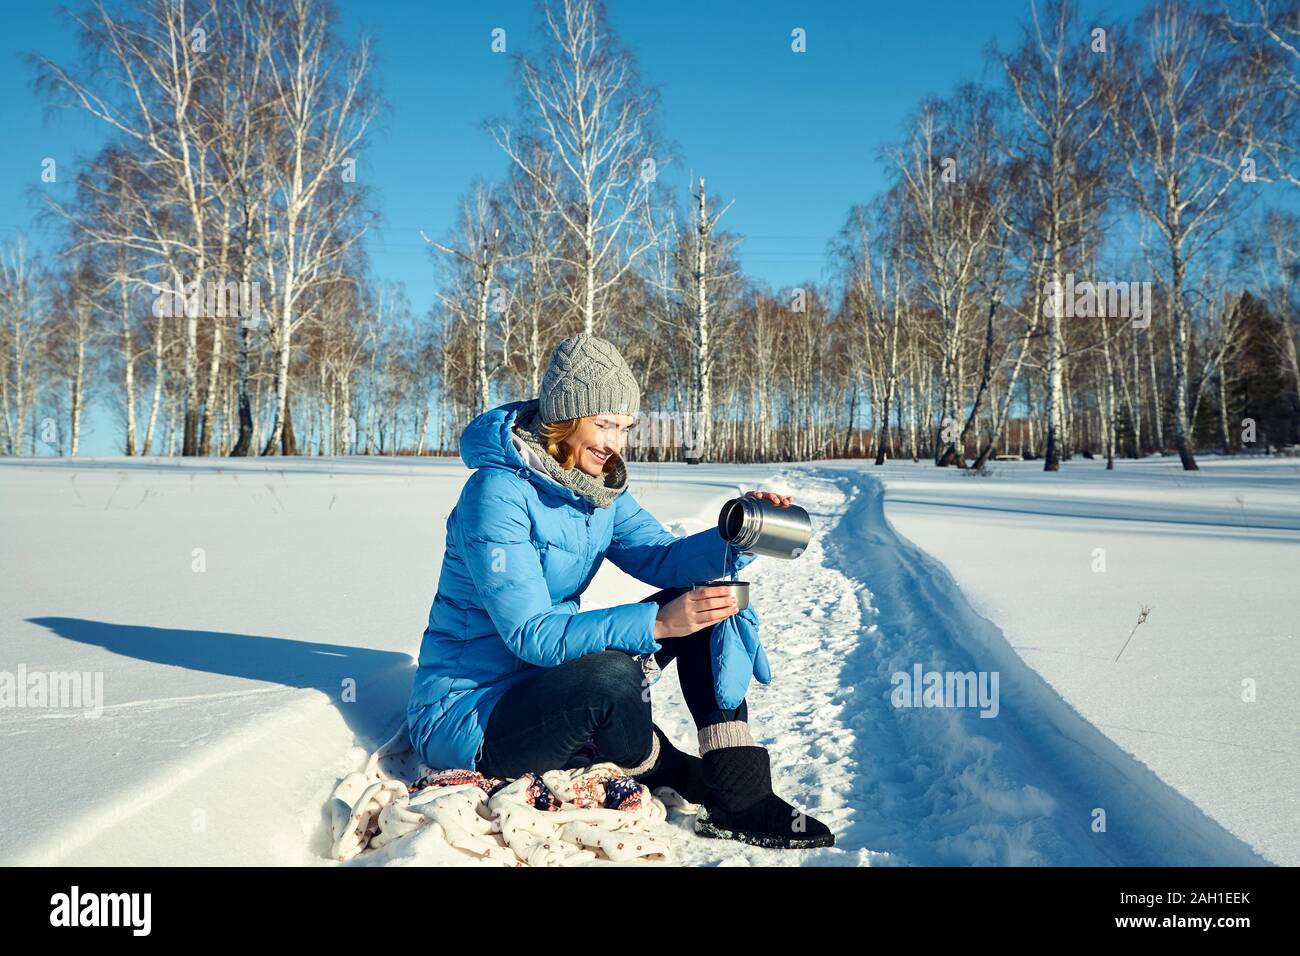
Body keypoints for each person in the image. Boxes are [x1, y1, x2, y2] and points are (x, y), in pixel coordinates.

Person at [407, 332, 833, 850]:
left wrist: (737, 532)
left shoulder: (599, 489)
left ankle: (738, 794)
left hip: (546, 682)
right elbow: (530, 635)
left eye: (624, 427)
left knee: (705, 601)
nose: (616, 443)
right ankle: (667, 767)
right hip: (470, 716)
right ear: (564, 418)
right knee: (611, 679)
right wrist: (657, 625)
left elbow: (663, 558)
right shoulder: (495, 495)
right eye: (604, 424)